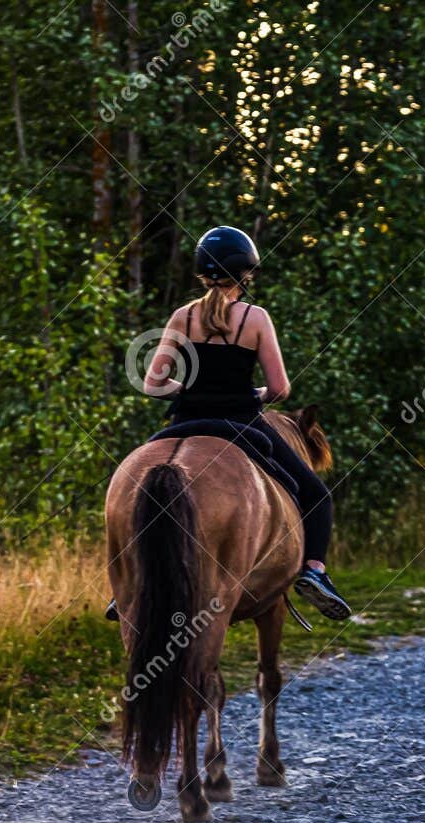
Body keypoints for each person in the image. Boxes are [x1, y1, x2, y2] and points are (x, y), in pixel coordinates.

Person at [122, 225, 350, 621]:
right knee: (316, 495)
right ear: (245, 273)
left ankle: (127, 583)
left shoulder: (182, 316)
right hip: (241, 423)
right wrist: (255, 395)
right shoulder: (255, 319)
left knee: (135, 485)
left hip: (186, 423)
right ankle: (315, 574)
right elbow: (280, 389)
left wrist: (189, 393)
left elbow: (152, 383)